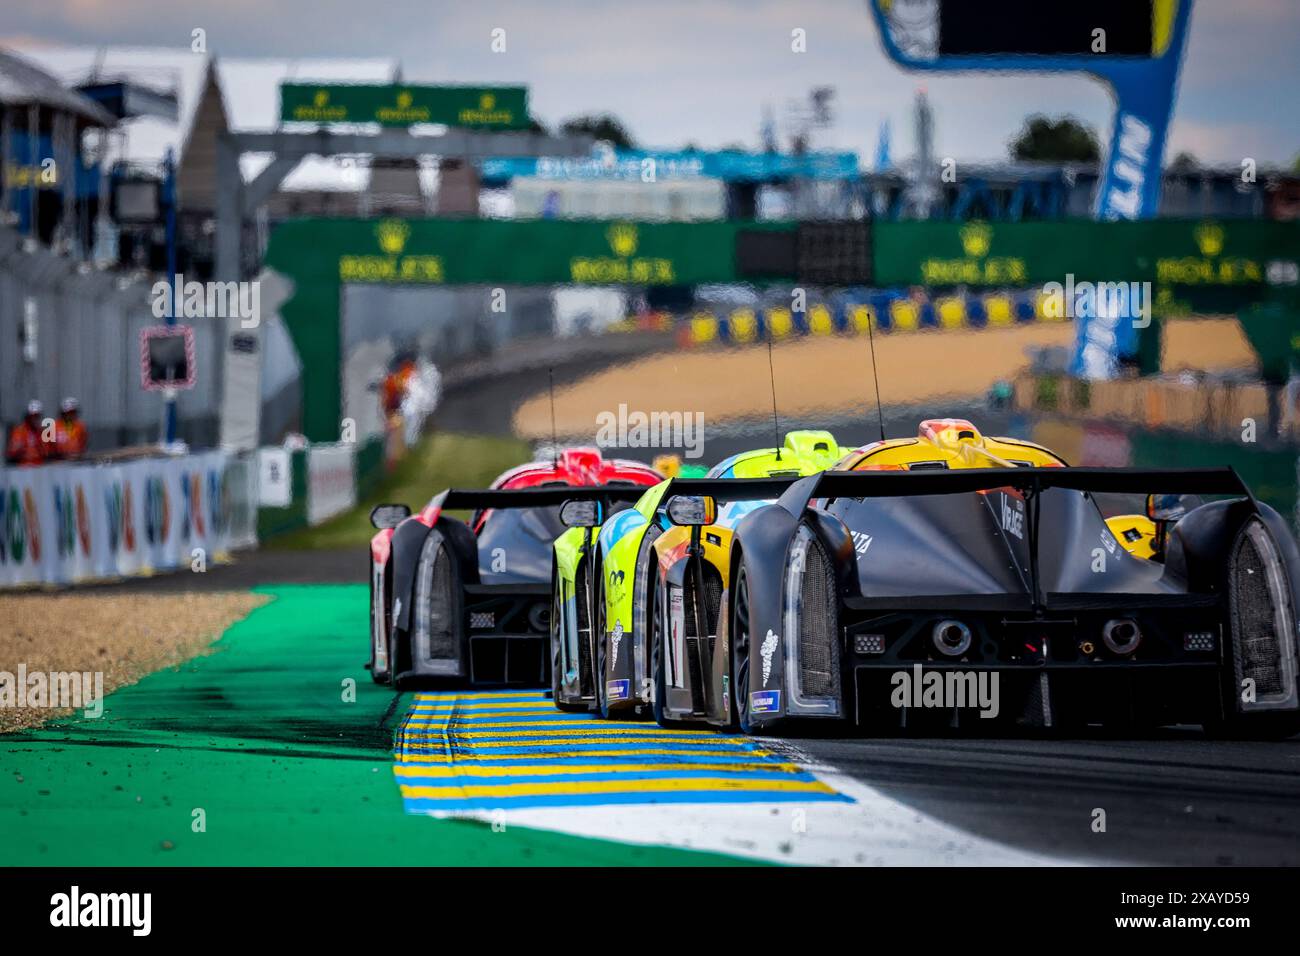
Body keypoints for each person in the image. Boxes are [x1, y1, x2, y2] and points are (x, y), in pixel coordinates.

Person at [5, 400, 48, 466]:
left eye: (37, 416)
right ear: (28, 416)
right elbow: (12, 453)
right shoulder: (19, 431)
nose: (35, 419)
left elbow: (46, 452)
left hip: (39, 468)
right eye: (32, 416)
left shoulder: (41, 432)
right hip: (23, 469)